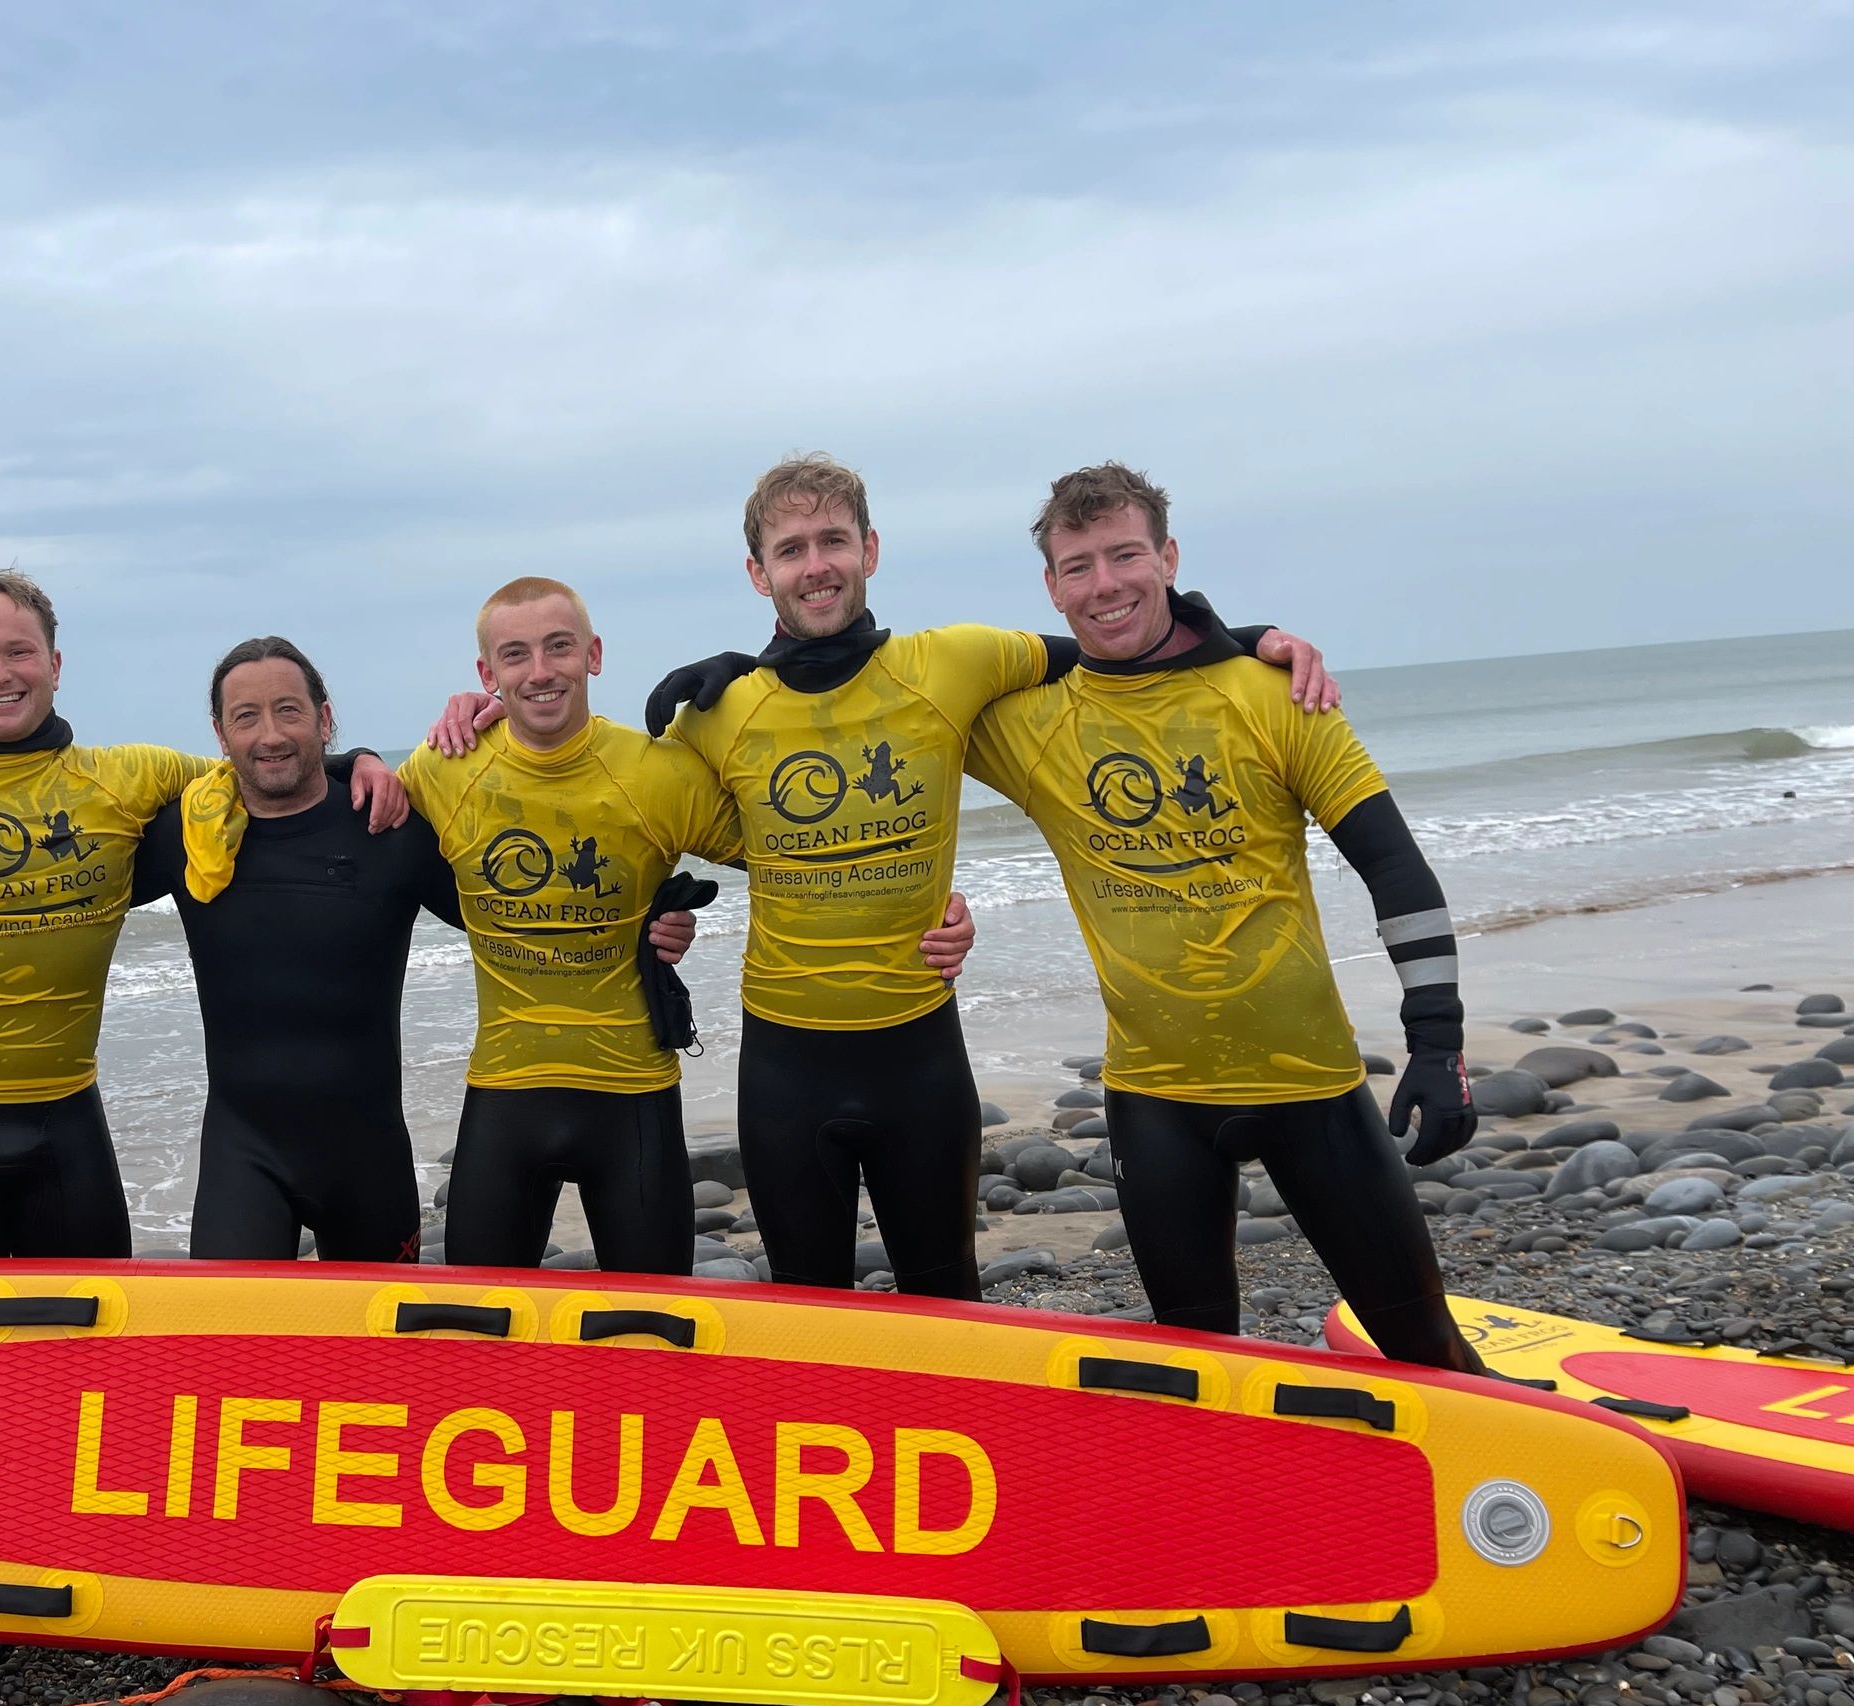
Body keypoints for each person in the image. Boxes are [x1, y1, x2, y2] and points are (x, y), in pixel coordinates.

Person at [636, 456, 1337, 1300]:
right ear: (759, 573)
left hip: (920, 1061)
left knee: (949, 1301)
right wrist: (652, 915)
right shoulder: (721, 711)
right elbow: (625, 820)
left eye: (834, 540)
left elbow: (1115, 639)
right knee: (804, 1303)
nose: (815, 564)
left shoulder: (955, 662)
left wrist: (1253, 639)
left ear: (871, 550)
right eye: (791, 550)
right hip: (785, 1066)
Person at [962, 462, 1482, 1371]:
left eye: (1125, 555)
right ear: (1051, 587)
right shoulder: (1029, 723)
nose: (1105, 584)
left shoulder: (1278, 693)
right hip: (1156, 1101)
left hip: (1312, 1087)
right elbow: (870, 705)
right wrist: (754, 667)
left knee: (1426, 1349)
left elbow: (1393, 865)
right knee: (1199, 1366)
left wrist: (1438, 1042)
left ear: (1167, 557)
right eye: (1077, 566)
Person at [0, 570, 406, 1257]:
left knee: (94, 1355)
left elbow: (260, 766)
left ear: (54, 663)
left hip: (67, 1125)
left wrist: (356, 762)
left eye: (18, 651)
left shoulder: (129, 779)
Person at [400, 578, 925, 1273]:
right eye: (515, 655)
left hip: (633, 1099)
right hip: (505, 1094)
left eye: (559, 648)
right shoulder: (444, 769)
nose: (540, 671)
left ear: (593, 654)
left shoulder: (656, 775)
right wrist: (365, 763)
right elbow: (351, 836)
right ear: (485, 673)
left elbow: (804, 855)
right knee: (481, 1339)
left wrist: (928, 902)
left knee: (654, 1338)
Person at [130, 637, 465, 1263]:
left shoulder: (387, 827)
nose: (270, 735)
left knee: (377, 1355)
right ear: (220, 734)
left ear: (324, 718)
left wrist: (648, 917)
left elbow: (518, 917)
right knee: (232, 1350)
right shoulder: (185, 834)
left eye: (288, 710)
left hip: (369, 1159)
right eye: (246, 717)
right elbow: (53, 889)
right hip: (242, 1156)